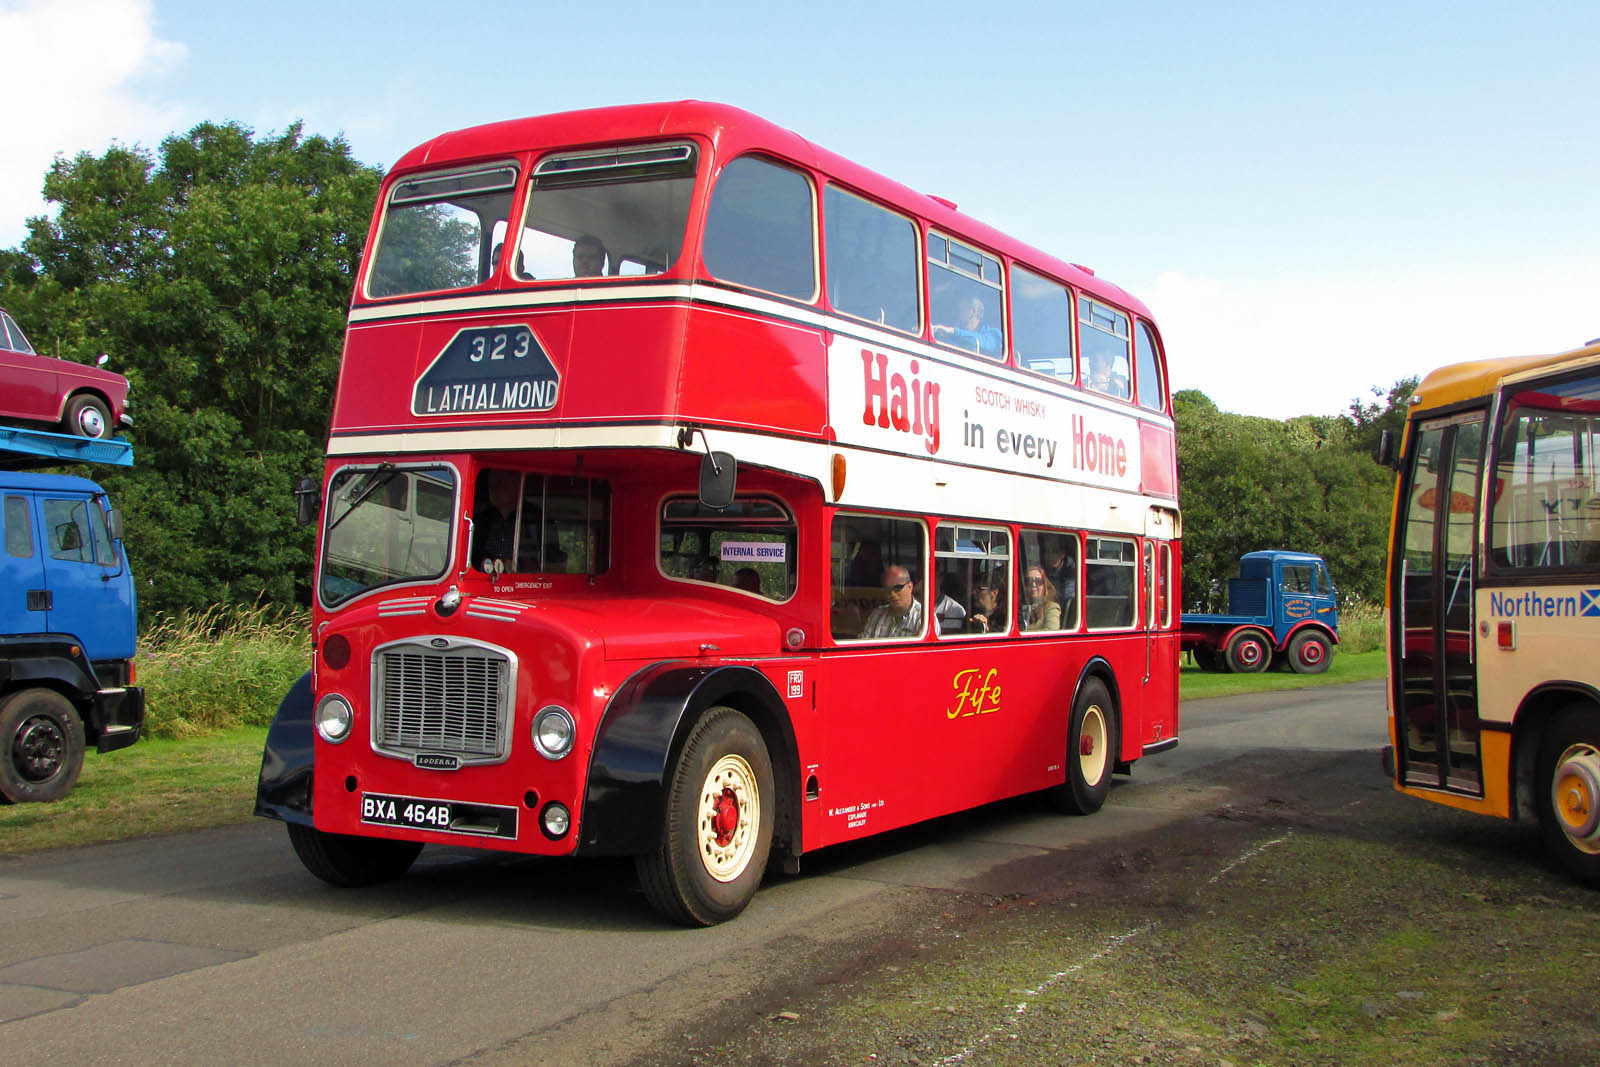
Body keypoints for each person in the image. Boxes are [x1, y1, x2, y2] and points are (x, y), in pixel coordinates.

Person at [472, 469, 521, 569]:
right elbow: (471, 554)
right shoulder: (480, 519)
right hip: (484, 579)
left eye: (500, 483)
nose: (494, 489)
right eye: (491, 485)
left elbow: (551, 560)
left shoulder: (535, 517)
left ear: (516, 484)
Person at [859, 564, 924, 638]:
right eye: (888, 590)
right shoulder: (877, 614)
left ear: (910, 586)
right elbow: (864, 645)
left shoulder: (923, 619)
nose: (892, 594)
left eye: (897, 588)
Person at [932, 296, 1002, 357]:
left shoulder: (994, 334)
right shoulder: (955, 336)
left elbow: (985, 342)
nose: (958, 313)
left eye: (962, 309)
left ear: (973, 311)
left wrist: (953, 331)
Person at [1020, 566, 1062, 631]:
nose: (1033, 584)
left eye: (1038, 581)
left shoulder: (1051, 607)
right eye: (1028, 580)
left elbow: (1052, 631)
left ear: (1044, 585)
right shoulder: (1018, 607)